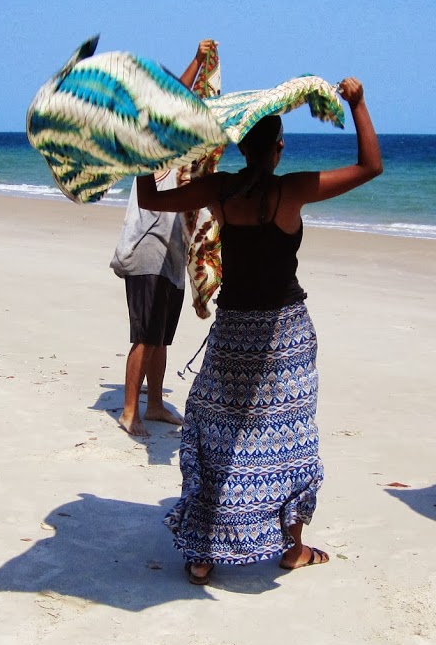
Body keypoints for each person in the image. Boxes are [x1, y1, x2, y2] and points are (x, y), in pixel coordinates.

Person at [136, 77, 381, 585]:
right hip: (283, 334)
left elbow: (152, 199)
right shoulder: (290, 190)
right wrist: (357, 104)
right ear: (278, 149)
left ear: (242, 148)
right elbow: (370, 167)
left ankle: (203, 553)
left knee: (217, 433)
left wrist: (142, 148)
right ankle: (291, 548)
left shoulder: (221, 189)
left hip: (232, 333)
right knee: (290, 435)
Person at [109, 40, 215, 437]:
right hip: (145, 249)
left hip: (171, 254)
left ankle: (153, 405)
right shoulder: (148, 144)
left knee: (162, 337)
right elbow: (174, 100)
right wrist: (195, 60)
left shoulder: (183, 151)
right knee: (144, 335)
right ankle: (129, 410)